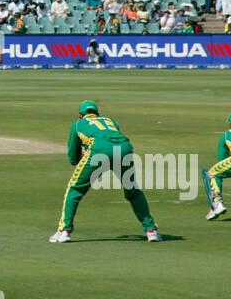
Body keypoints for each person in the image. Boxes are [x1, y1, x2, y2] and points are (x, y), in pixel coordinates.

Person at [51, 100, 162, 243]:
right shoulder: (111, 121)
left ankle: (64, 231)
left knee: (74, 189)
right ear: (97, 113)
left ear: (80, 115)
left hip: (99, 151)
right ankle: (151, 230)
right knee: (132, 191)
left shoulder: (78, 124)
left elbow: (73, 157)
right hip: (124, 148)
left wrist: (81, 159)